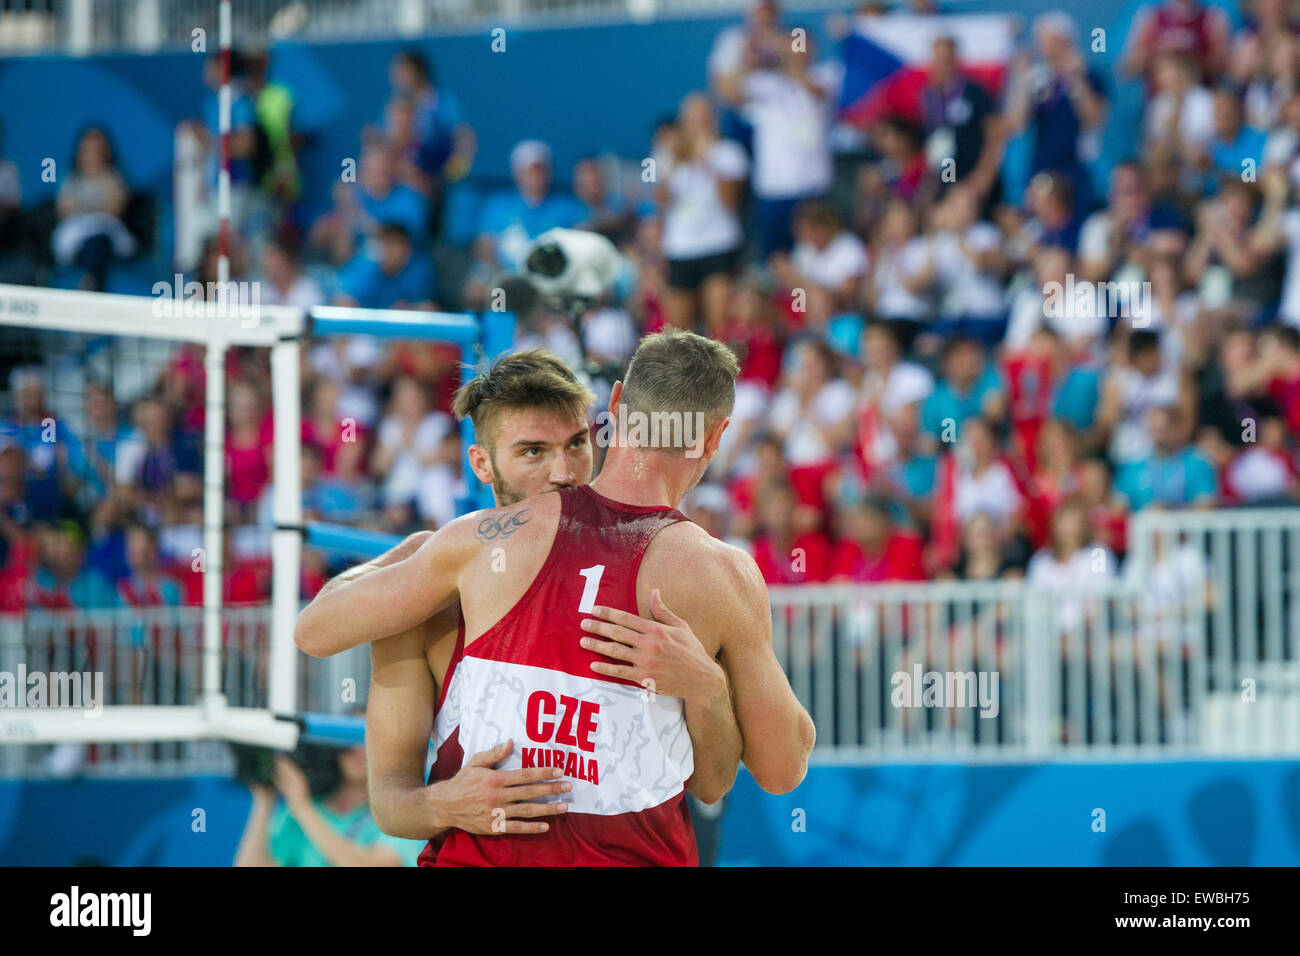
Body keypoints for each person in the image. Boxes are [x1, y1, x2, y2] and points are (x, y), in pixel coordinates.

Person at [296, 331, 814, 865]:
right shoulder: (719, 575)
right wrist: (441, 804)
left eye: (574, 445)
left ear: (613, 407)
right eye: (533, 452)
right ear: (716, 436)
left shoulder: (468, 549)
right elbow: (777, 771)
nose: (561, 473)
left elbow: (715, 781)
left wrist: (708, 690)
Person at [234, 743, 421, 867]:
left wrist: (303, 808)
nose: (358, 748)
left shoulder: (400, 815)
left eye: (368, 738)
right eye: (347, 741)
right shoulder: (296, 814)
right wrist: (264, 800)